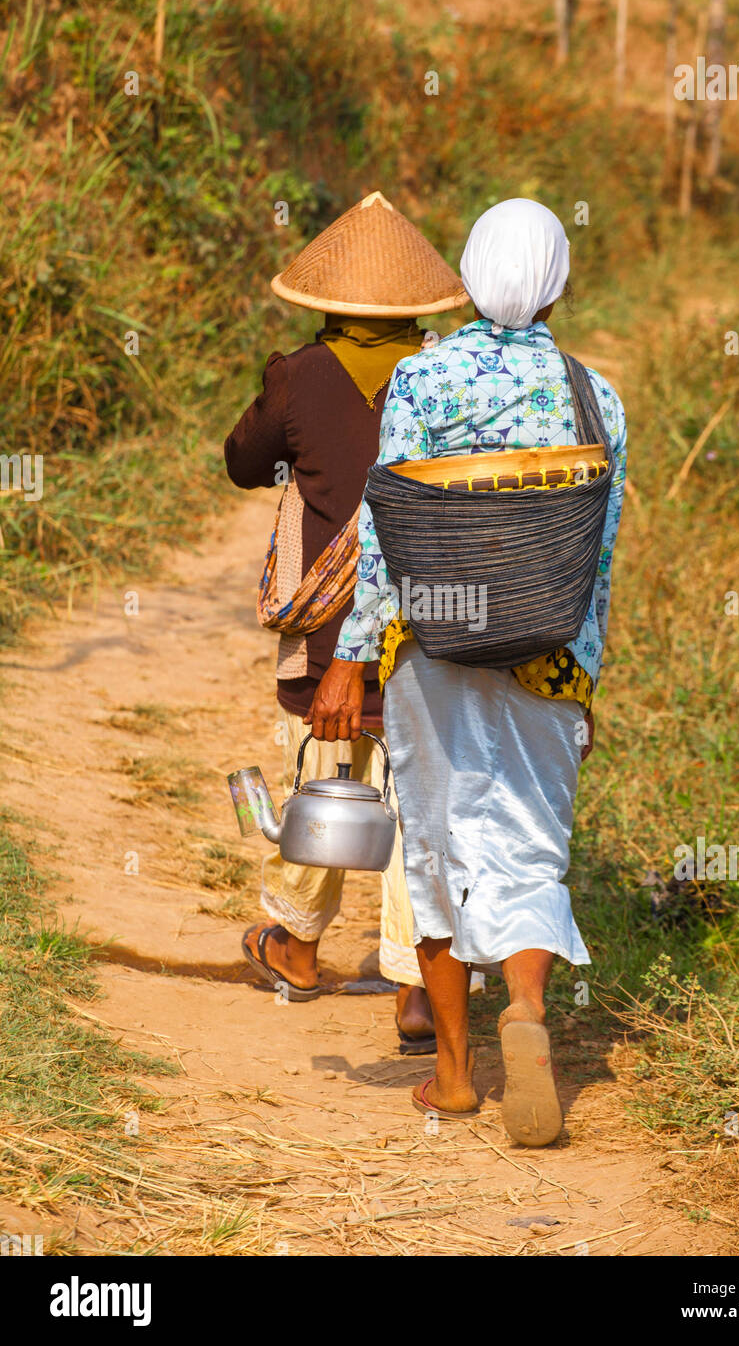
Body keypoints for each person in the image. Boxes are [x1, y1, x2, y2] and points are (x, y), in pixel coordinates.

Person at [307, 198, 627, 1143]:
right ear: (560, 279)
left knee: (438, 846)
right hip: (544, 647)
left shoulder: (423, 377)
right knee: (529, 842)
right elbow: (597, 555)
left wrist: (352, 658)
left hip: (429, 644)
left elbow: (383, 527)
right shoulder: (592, 394)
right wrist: (583, 675)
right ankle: (525, 1013)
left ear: (470, 274)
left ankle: (454, 1075)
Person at [224, 190, 471, 1053]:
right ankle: (414, 987)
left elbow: (243, 461)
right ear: (415, 306)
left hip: (334, 629)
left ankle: (295, 943)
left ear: (327, 301)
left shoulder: (298, 375)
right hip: (432, 622)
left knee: (333, 774)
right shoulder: (447, 373)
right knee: (421, 798)